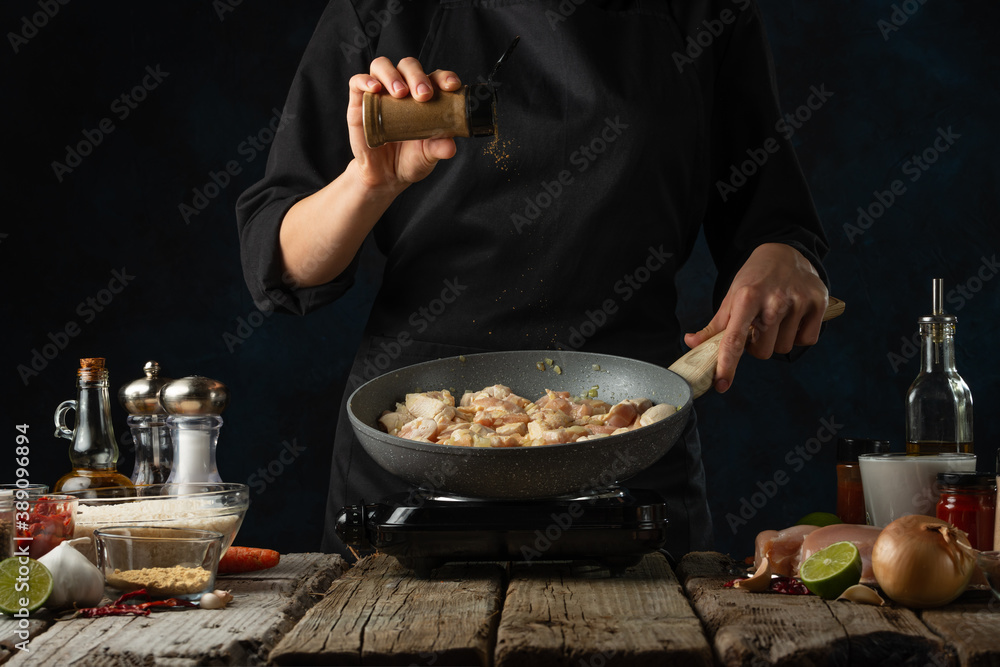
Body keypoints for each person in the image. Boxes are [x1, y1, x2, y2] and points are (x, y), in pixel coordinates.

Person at [236, 0, 830, 559]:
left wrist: (785, 258)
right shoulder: (380, 9)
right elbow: (283, 265)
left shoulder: (702, 11)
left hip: (629, 429)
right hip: (415, 438)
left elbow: (771, 217)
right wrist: (370, 183)